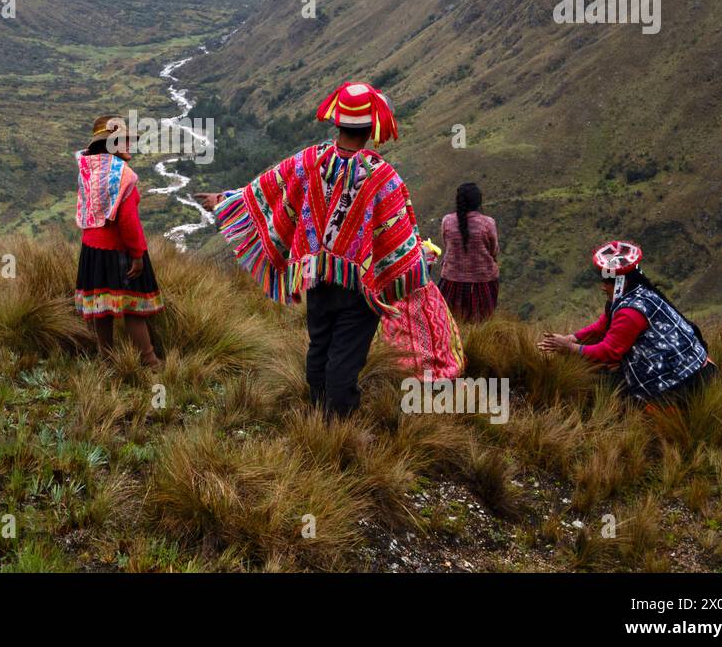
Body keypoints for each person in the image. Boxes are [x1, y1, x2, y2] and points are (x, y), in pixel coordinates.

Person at [197, 81, 462, 419]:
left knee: (319, 344)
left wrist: (226, 200)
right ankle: (338, 429)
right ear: (371, 129)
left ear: (338, 123)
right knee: (346, 356)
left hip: (316, 276)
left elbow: (267, 189)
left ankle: (318, 411)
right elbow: (399, 229)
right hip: (359, 288)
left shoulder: (309, 161)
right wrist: (414, 264)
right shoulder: (383, 177)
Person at [539, 240, 715, 403]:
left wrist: (570, 348)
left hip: (682, 384)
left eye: (608, 281)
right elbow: (602, 327)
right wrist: (572, 338)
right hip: (696, 366)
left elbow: (609, 352)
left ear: (621, 282)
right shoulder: (638, 292)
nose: (603, 286)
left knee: (606, 386)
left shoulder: (630, 311)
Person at [74, 114, 164, 368]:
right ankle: (150, 360)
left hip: (91, 249)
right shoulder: (123, 175)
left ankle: (108, 360)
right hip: (119, 251)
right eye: (122, 140)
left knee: (101, 307)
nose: (128, 145)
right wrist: (137, 253)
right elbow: (128, 221)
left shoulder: (87, 169)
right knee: (133, 307)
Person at [437, 182, 500, 323]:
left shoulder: (447, 221)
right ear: (478, 201)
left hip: (451, 282)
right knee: (482, 323)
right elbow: (494, 251)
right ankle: (476, 344)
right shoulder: (488, 223)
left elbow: (447, 245)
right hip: (483, 282)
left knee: (452, 322)